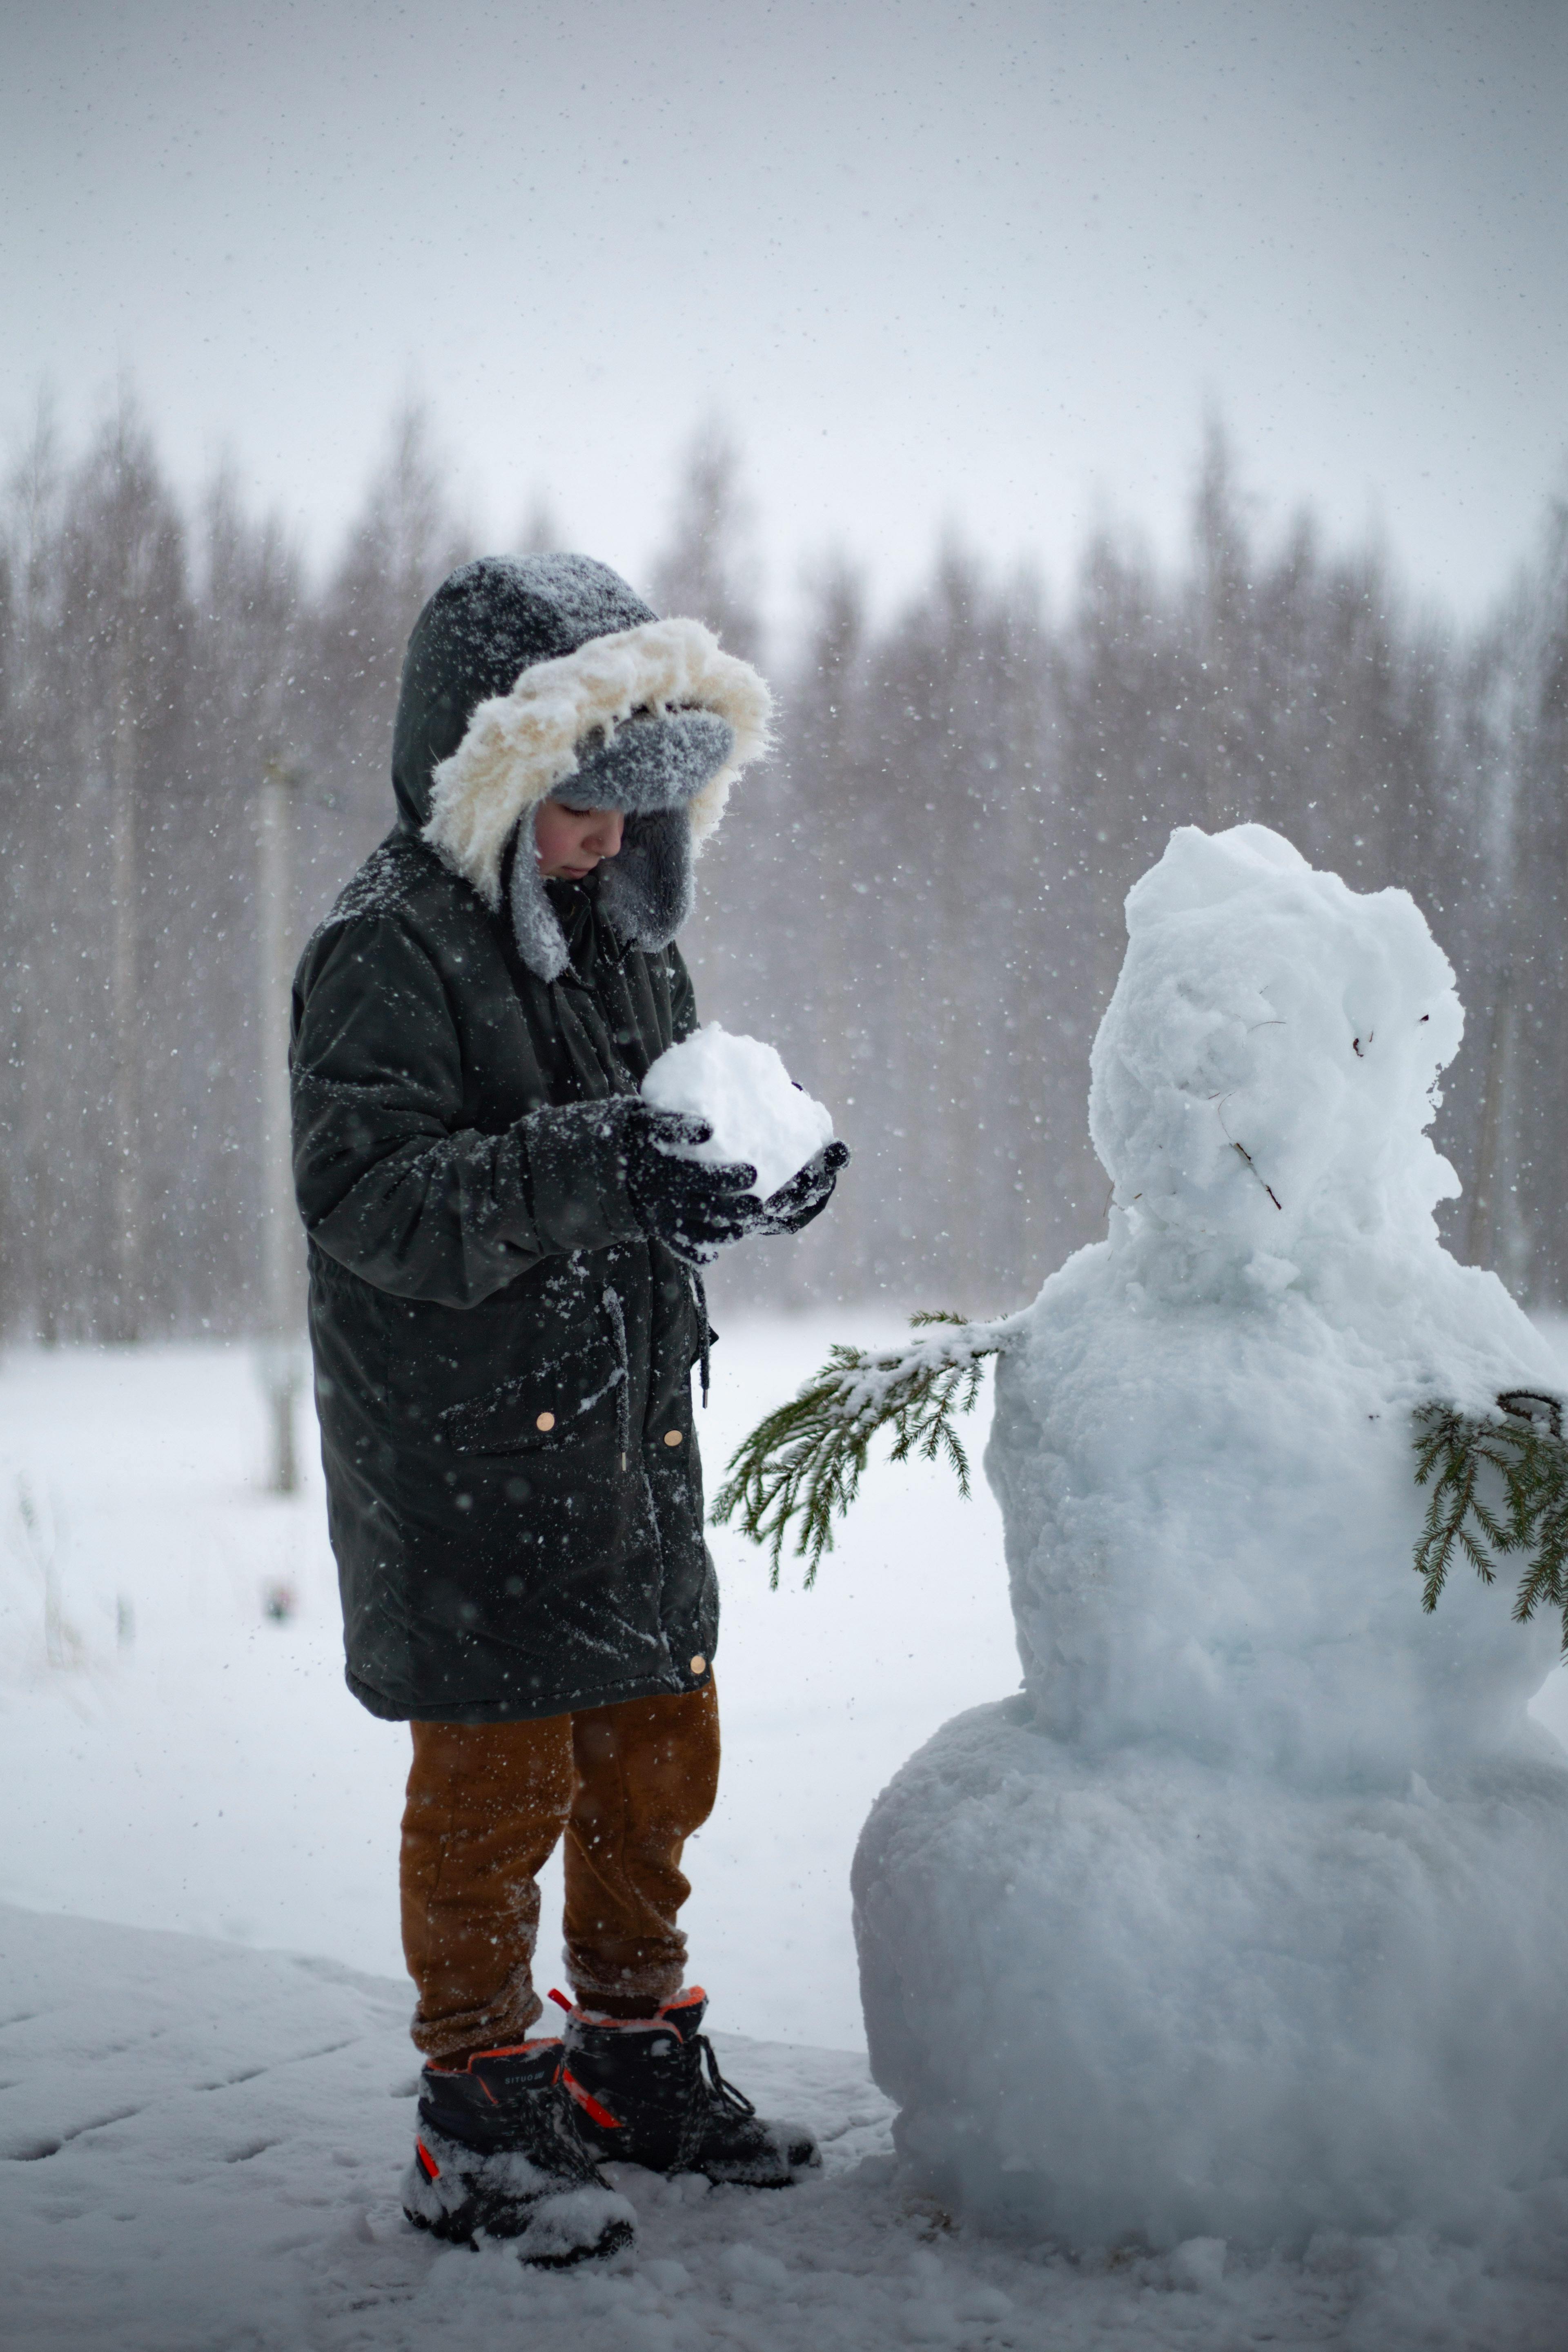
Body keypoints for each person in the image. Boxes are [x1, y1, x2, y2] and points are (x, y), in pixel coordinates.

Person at [290, 554, 847, 2265]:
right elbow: (372, 1198)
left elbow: (647, 1138)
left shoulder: (618, 939)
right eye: (576, 808)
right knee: (494, 1785)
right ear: (488, 774)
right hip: (467, 1460)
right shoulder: (387, 948)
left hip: (624, 1438)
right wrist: (600, 1164)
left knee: (655, 1761)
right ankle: (478, 2107)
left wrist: (735, 1179)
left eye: (632, 813)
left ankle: (629, 2054)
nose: (606, 842)